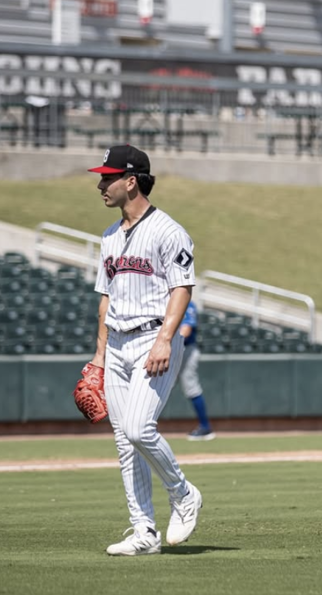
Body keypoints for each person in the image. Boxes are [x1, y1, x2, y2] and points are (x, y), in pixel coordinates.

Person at [87, 144, 203, 556]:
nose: (101, 184)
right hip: (117, 342)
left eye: (108, 176)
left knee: (139, 429)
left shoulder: (169, 231)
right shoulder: (108, 237)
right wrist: (100, 356)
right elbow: (105, 300)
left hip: (152, 339)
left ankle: (183, 493)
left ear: (131, 181)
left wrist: (165, 339)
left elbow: (182, 289)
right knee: (124, 441)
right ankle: (144, 531)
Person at [178, 300, 216, 441]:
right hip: (170, 349)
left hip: (186, 350)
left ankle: (205, 427)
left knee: (191, 387)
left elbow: (186, 330)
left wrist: (166, 343)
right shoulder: (162, 300)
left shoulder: (187, 303)